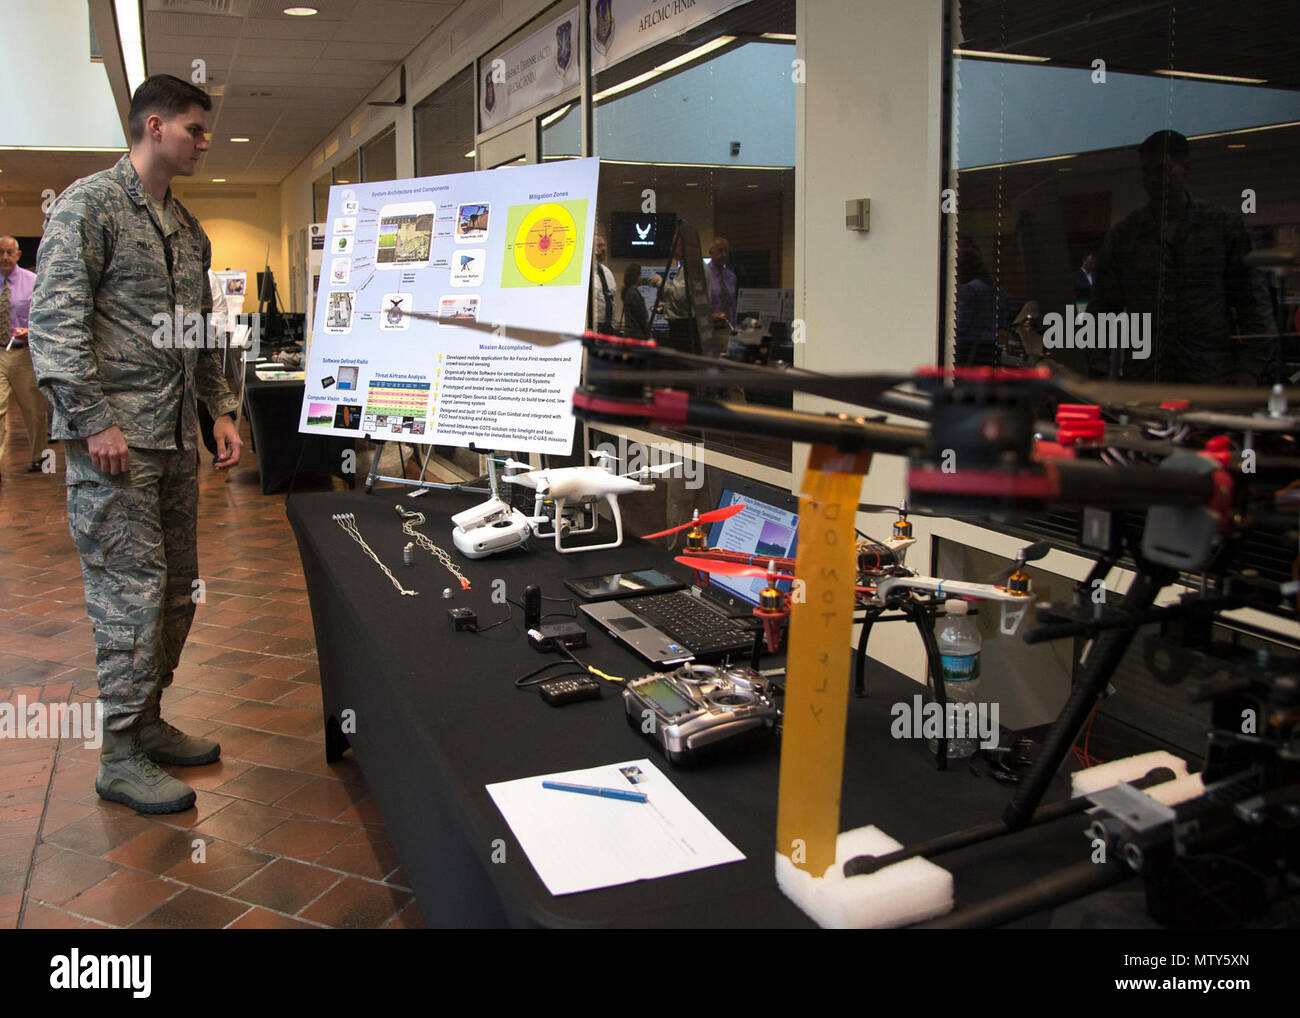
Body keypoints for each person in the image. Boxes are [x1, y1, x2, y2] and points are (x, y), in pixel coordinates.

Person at [30, 74, 243, 815]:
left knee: (179, 587)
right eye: (195, 129)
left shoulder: (187, 230)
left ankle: (147, 720)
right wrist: (93, 420)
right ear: (154, 126)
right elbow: (56, 328)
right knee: (130, 593)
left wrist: (218, 409)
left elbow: (201, 330)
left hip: (173, 441)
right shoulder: (87, 207)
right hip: (113, 445)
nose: (204, 142)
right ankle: (117, 752)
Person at [1089, 129, 1275, 383]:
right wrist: (1101, 372)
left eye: (1163, 169)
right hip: (1146, 378)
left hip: (1209, 377)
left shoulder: (1221, 227)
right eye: (1147, 172)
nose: (1154, 179)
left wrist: (1249, 370)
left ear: (1185, 168)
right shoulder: (1125, 235)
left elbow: (1252, 304)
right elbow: (1101, 311)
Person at [0, 236, 50, 479]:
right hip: (0, 353)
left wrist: (31, 331)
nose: (5, 257)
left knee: (33, 409)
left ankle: (38, 456)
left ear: (18, 255)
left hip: (24, 353)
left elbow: (46, 317)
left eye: (9, 252)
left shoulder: (32, 282)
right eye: (1, 252)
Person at [703, 236, 738, 357]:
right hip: (710, 331)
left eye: (726, 251)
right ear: (711, 253)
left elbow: (733, 304)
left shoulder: (731, 276)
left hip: (729, 331)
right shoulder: (703, 275)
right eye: (720, 251)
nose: (723, 255)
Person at [591, 234, 617, 334]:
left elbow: (612, 300)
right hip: (594, 326)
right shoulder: (585, 273)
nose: (604, 249)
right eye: (599, 246)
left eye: (604, 246)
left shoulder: (608, 273)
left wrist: (613, 325)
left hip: (609, 327)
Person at [621, 263, 650, 340]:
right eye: (640, 275)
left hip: (632, 334)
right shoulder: (633, 293)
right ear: (635, 277)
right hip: (637, 335)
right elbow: (641, 317)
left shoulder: (628, 291)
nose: (641, 278)